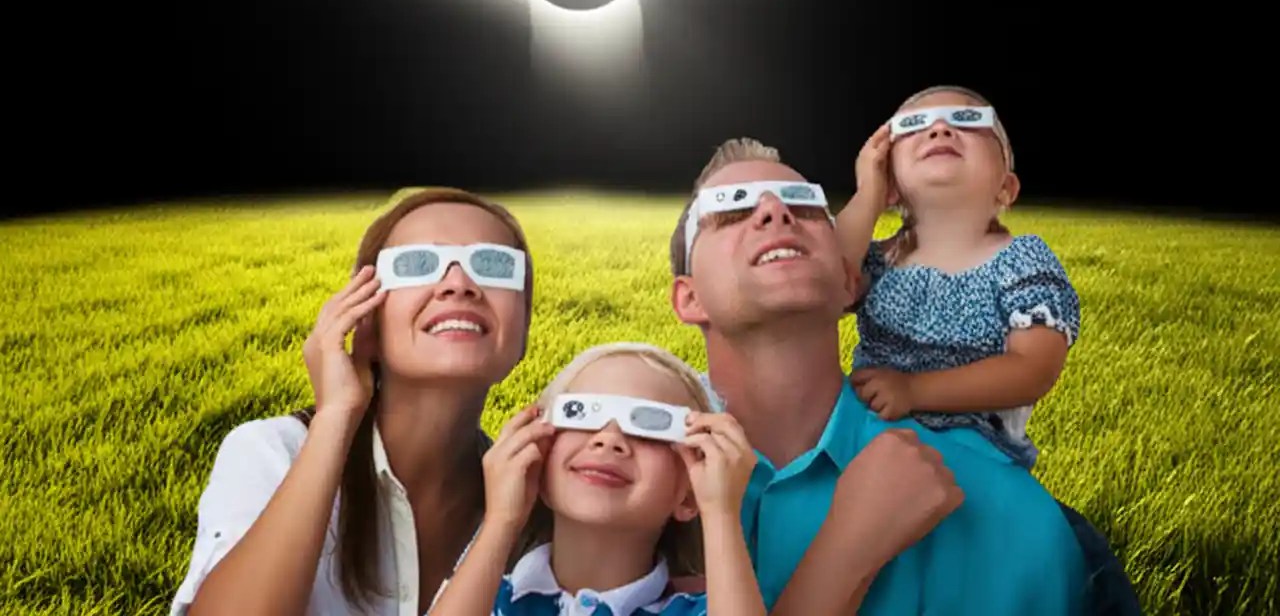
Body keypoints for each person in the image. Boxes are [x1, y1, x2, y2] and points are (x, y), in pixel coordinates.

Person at [666, 134, 1137, 615]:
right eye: (729, 211)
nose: (775, 212)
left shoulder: (999, 506)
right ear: (689, 297)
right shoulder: (638, 475)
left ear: (849, 281)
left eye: (805, 206)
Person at [170, 186, 536, 616]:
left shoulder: (531, 500)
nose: (459, 284)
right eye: (417, 264)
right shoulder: (274, 452)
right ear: (365, 316)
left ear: (523, 328)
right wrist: (335, 416)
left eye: (493, 265)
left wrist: (501, 526)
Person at [429, 341, 767, 616]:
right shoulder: (483, 595)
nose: (609, 439)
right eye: (582, 414)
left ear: (689, 494)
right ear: (538, 454)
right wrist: (501, 520)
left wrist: (721, 514)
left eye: (650, 425)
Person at [835, 84, 1074, 470]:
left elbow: (1033, 369)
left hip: (973, 450)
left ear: (1005, 188)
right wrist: (869, 195)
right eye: (915, 125)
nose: (940, 129)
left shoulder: (1020, 262)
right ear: (892, 184)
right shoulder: (881, 260)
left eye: (968, 120)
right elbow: (825, 287)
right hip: (863, 430)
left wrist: (913, 390)